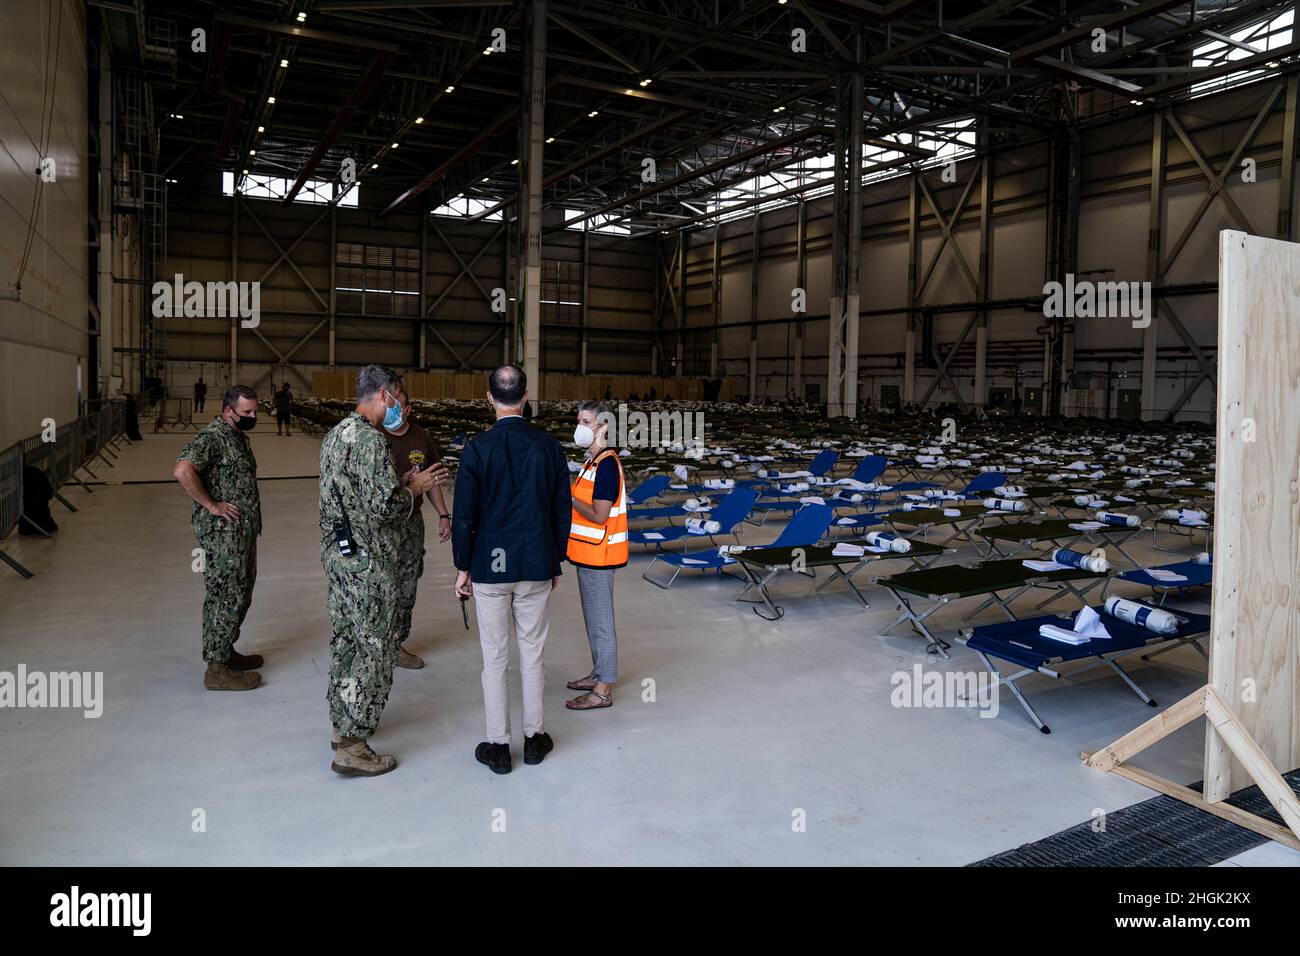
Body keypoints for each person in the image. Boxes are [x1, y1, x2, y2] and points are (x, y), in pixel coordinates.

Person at [319, 365, 445, 777]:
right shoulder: (371, 441)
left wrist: (401, 482)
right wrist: (416, 488)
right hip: (371, 565)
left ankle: (342, 725)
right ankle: (354, 745)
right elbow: (385, 508)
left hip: (342, 561)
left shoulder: (337, 435)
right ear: (382, 395)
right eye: (396, 397)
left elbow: (354, 495)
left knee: (347, 643)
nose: (398, 407)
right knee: (375, 649)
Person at [452, 365, 570, 775]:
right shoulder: (549, 448)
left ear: (489, 397)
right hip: (535, 561)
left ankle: (499, 746)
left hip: (490, 564)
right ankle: (534, 740)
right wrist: (554, 557)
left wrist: (463, 566)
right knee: (533, 654)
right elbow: (561, 510)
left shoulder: (477, 449)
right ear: (525, 397)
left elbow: (464, 515)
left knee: (495, 657)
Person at [172, 385, 264, 691]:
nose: (253, 416)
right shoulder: (213, 437)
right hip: (223, 537)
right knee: (225, 595)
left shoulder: (236, 436)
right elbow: (183, 470)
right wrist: (212, 505)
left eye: (255, 411)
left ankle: (226, 651)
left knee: (241, 592)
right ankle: (217, 668)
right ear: (228, 411)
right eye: (247, 412)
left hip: (241, 533)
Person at [382, 386, 451, 670]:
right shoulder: (374, 437)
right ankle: (378, 643)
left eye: (396, 408)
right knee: (382, 583)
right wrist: (402, 482)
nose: (391, 414)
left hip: (411, 521)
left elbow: (432, 479)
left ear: (407, 410)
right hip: (383, 522)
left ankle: (396, 644)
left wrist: (444, 515)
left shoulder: (420, 436)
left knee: (408, 583)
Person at [564, 401, 627, 711]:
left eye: (586, 421)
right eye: (579, 420)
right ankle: (598, 673)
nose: (580, 427)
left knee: (602, 623)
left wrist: (569, 498)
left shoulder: (606, 465)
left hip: (600, 556)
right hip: (587, 555)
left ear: (603, 427)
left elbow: (600, 515)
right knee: (592, 619)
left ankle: (602, 690)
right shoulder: (592, 462)